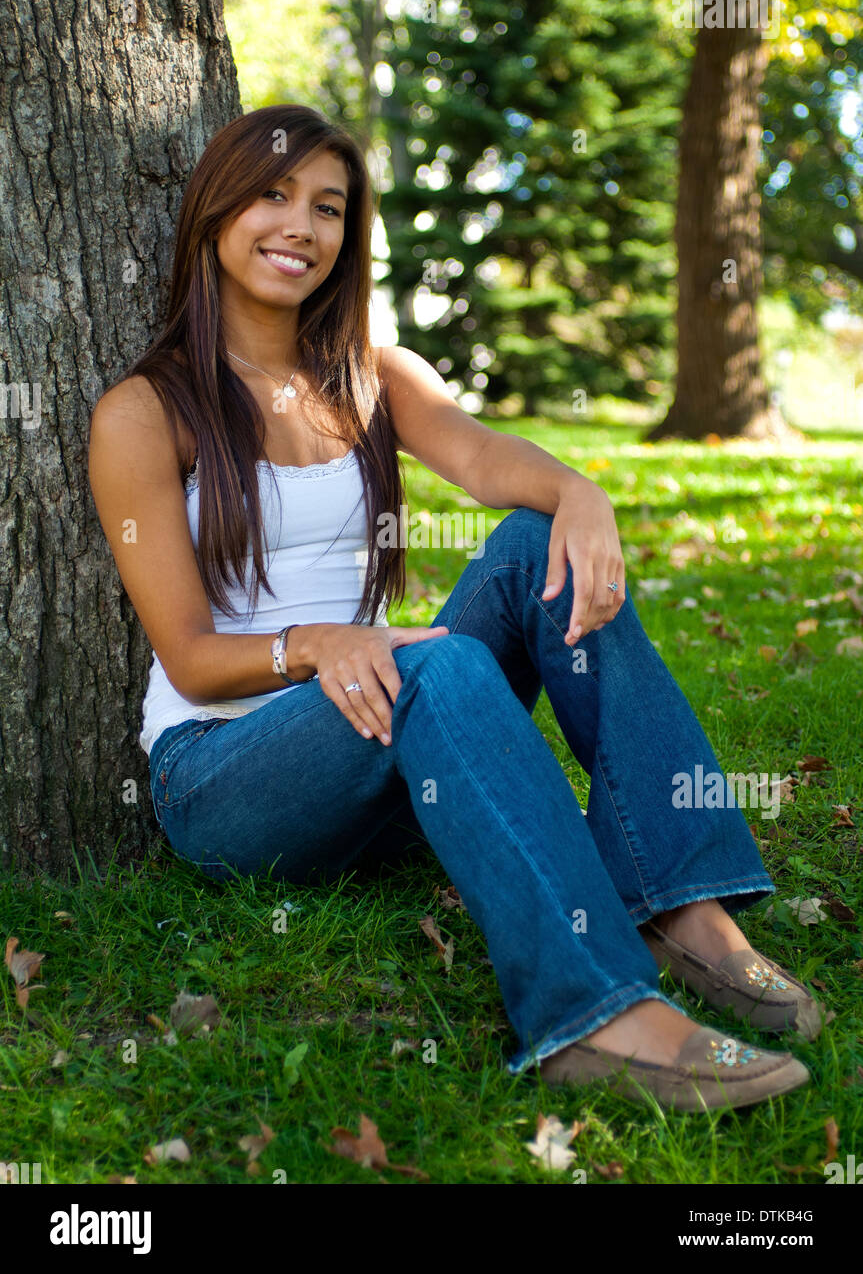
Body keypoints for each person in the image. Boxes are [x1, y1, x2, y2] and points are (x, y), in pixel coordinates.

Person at [88, 103, 822, 1113]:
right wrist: (319, 643)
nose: (300, 225)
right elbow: (189, 656)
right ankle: (595, 1016)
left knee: (530, 545)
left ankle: (676, 904)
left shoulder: (370, 376)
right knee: (431, 664)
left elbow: (481, 458)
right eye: (272, 195)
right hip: (227, 775)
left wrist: (579, 493)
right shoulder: (144, 412)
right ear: (216, 210)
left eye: (328, 207)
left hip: (381, 750)